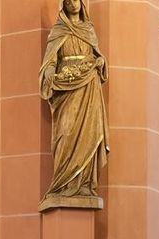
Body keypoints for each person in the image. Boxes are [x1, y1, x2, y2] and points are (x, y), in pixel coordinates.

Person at [39, 0, 108, 203]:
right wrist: (51, 72)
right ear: (63, 5)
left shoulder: (88, 29)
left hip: (88, 87)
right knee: (66, 132)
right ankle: (64, 182)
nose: (72, 3)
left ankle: (84, 184)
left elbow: (98, 55)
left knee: (89, 132)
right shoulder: (58, 31)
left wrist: (101, 61)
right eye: (68, 0)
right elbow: (49, 62)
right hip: (66, 89)